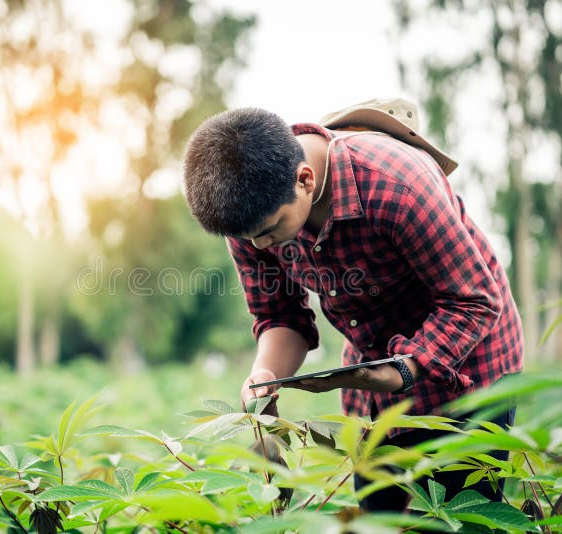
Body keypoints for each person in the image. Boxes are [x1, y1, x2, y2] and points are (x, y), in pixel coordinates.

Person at [181, 99, 524, 511]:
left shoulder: (398, 185)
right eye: (247, 239)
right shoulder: (251, 210)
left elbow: (473, 300)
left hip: (471, 367)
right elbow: (280, 316)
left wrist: (405, 370)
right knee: (377, 516)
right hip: (374, 380)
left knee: (463, 514)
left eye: (271, 231)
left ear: (304, 180)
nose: (260, 246)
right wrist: (265, 377)